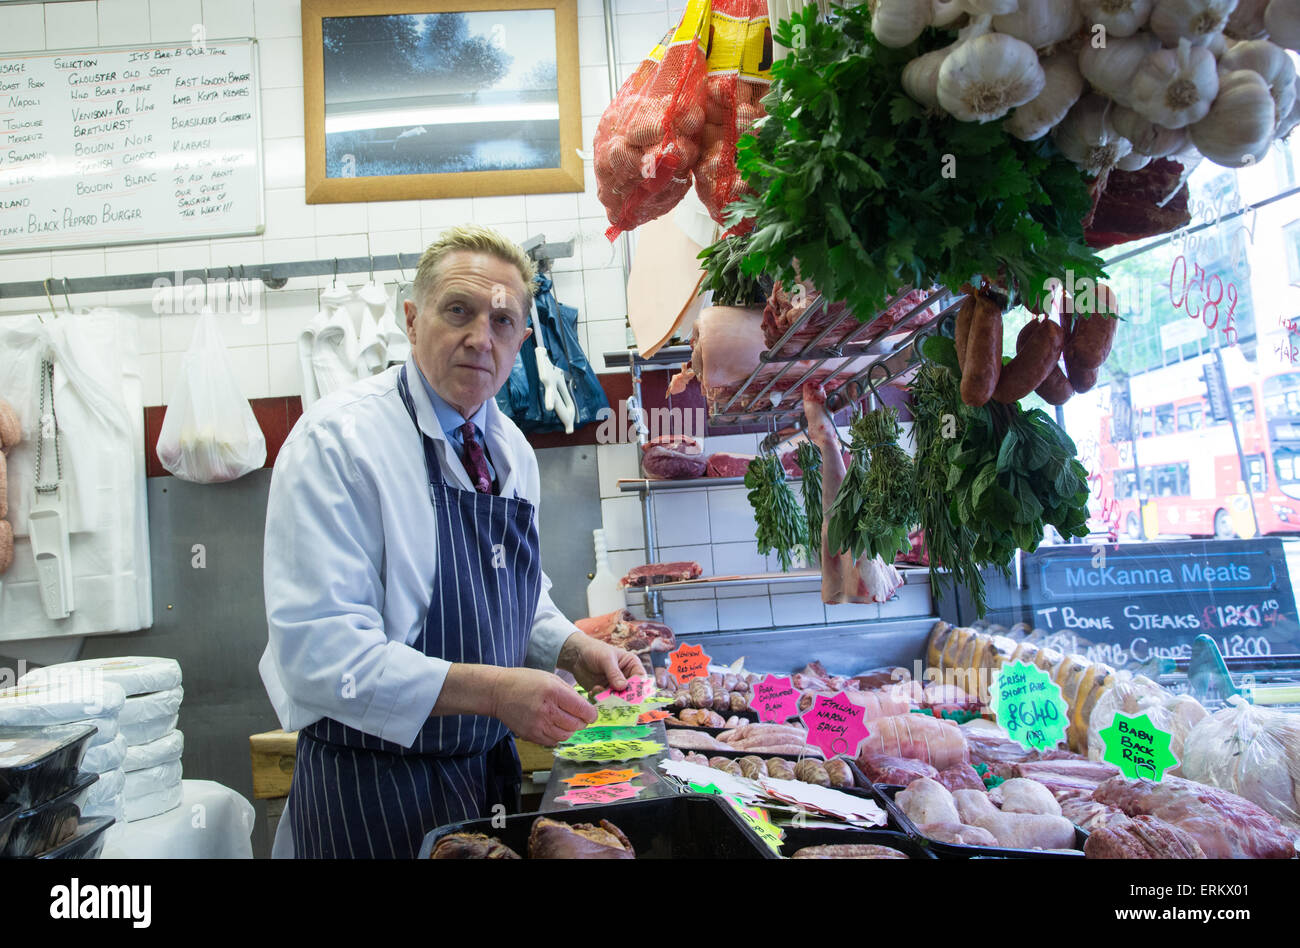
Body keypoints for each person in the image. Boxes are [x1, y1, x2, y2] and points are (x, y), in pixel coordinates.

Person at [259, 225, 643, 858]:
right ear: (413, 321)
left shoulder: (511, 450)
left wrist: (574, 648)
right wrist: (497, 691)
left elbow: (516, 598)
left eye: (502, 321)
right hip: (368, 790)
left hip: (478, 781)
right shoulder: (338, 441)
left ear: (522, 340)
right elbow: (319, 653)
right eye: (458, 311)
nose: (479, 338)